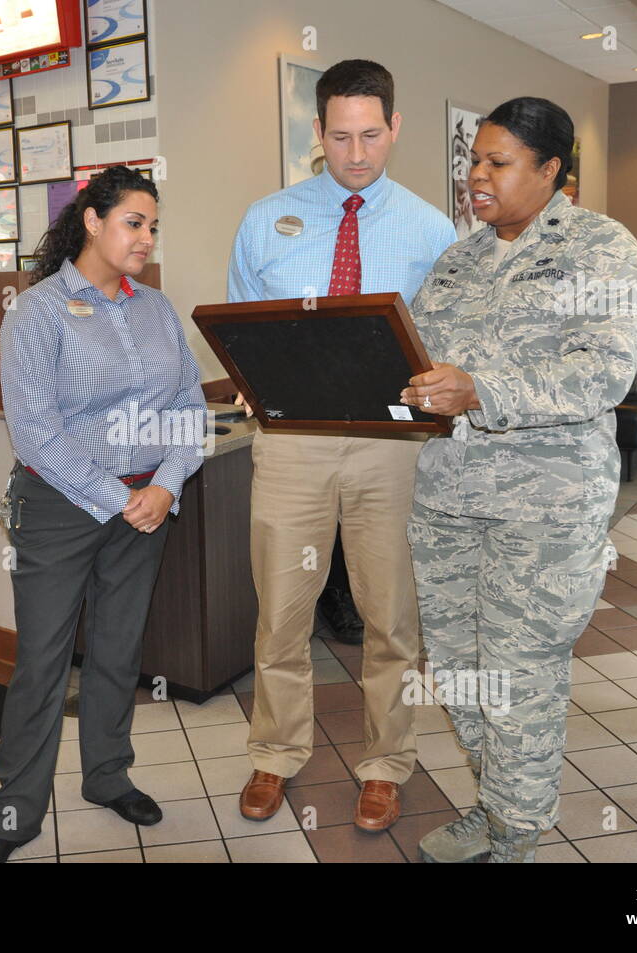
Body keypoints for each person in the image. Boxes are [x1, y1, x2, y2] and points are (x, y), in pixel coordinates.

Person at [402, 97, 637, 862]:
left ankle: (517, 834)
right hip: (448, 498)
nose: (476, 176)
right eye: (473, 159)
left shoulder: (605, 253)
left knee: (519, 677)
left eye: (497, 163)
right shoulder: (459, 259)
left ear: (551, 170)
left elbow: (601, 376)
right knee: (461, 674)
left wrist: (482, 389)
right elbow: (419, 366)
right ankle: (495, 801)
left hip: (543, 511)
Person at [228, 59, 456, 832]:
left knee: (391, 615)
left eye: (370, 135)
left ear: (395, 127)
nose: (355, 154)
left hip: (391, 447)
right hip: (292, 442)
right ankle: (275, 749)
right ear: (316, 133)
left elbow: (447, 347)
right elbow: (244, 328)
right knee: (281, 612)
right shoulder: (266, 218)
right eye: (338, 136)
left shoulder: (432, 228)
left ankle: (388, 761)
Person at [0, 166, 206, 863]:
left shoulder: (157, 308)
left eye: (153, 226)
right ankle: (14, 813)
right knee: (43, 659)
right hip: (61, 504)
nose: (146, 238)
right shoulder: (36, 311)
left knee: (118, 647)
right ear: (93, 222)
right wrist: (116, 495)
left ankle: (106, 775)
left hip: (146, 502)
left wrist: (164, 483)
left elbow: (189, 407)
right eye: (134, 223)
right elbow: (36, 431)